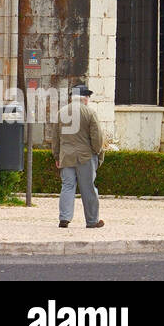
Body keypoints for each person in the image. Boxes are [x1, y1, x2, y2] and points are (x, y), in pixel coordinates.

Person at [52, 85, 105, 229]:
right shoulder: (89, 112)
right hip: (85, 156)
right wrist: (97, 152)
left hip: (66, 156)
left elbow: (55, 138)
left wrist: (57, 156)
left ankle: (64, 218)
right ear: (85, 98)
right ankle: (92, 221)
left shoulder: (61, 112)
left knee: (67, 186)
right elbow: (97, 137)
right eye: (88, 97)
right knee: (88, 188)